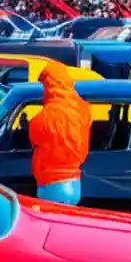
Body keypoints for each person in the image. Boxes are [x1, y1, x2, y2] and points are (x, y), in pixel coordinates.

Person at [29, 62, 91, 206]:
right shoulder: (82, 109)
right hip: (74, 181)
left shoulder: (46, 115)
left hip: (51, 183)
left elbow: (34, 137)